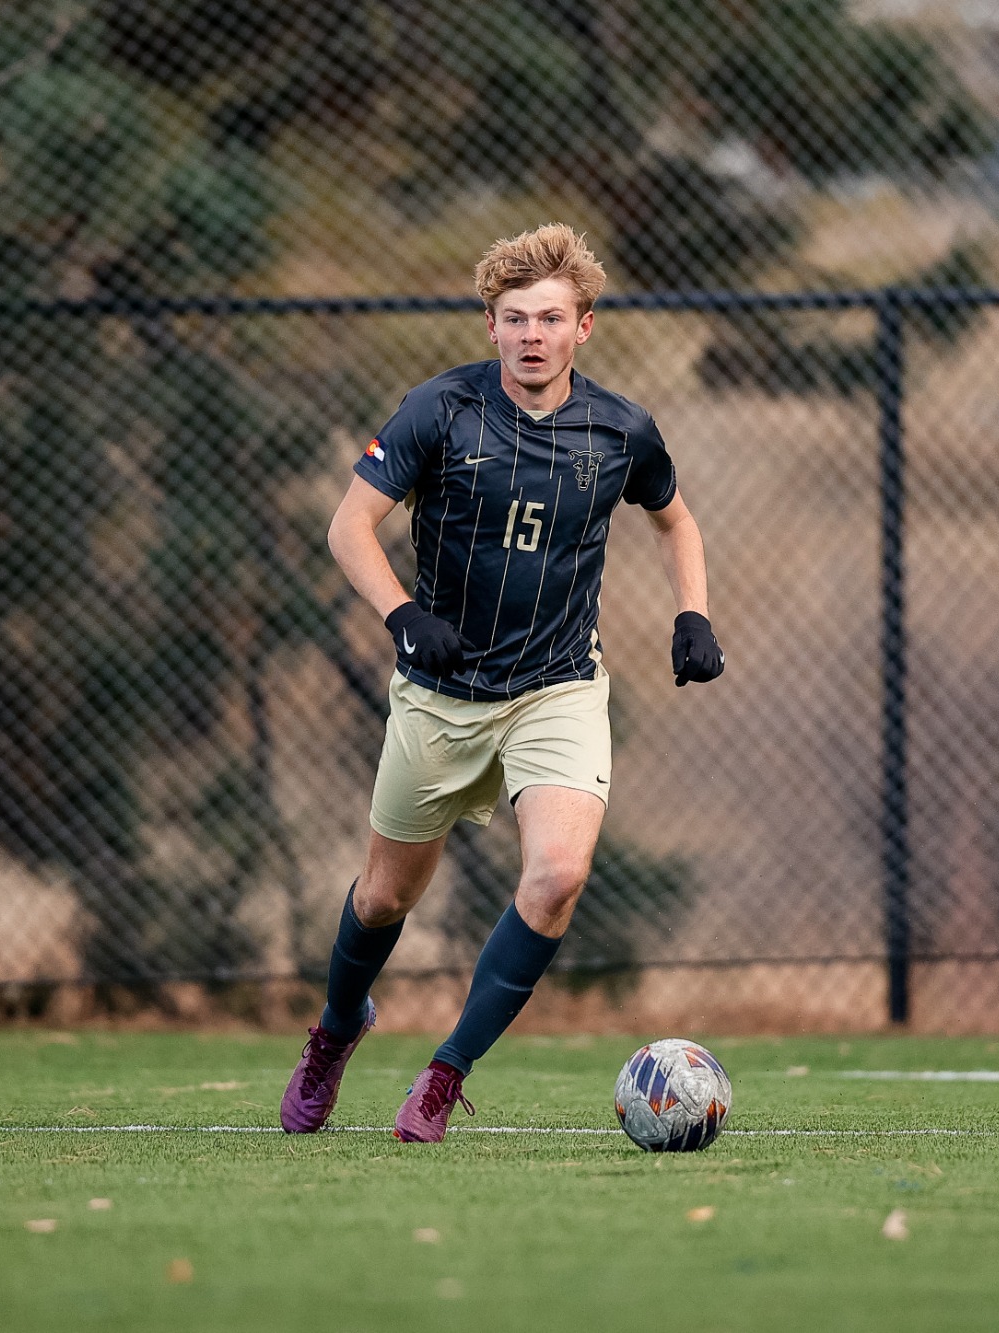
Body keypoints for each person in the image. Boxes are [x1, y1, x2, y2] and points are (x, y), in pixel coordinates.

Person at [279, 224, 724, 1143]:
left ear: (583, 327)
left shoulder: (621, 429)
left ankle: (445, 1073)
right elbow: (348, 528)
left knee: (557, 877)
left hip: (557, 689)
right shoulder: (439, 410)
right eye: (515, 318)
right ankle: (336, 1029)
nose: (532, 335)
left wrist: (693, 615)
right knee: (384, 898)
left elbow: (675, 521)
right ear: (490, 326)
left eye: (550, 318)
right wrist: (403, 614)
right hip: (440, 695)